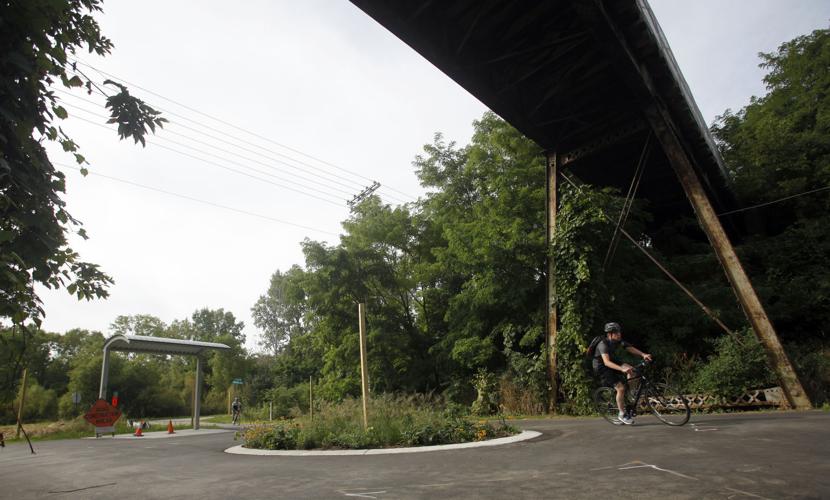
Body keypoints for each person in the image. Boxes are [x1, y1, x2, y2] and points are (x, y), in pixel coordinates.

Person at [593, 322, 652, 425]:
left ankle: (631, 394)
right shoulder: (603, 344)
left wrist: (643, 354)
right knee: (620, 388)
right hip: (601, 367)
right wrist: (621, 369)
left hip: (612, 361)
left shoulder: (616, 341)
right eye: (616, 333)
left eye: (619, 332)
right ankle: (622, 414)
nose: (619, 334)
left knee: (632, 370)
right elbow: (606, 362)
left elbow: (629, 347)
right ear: (609, 334)